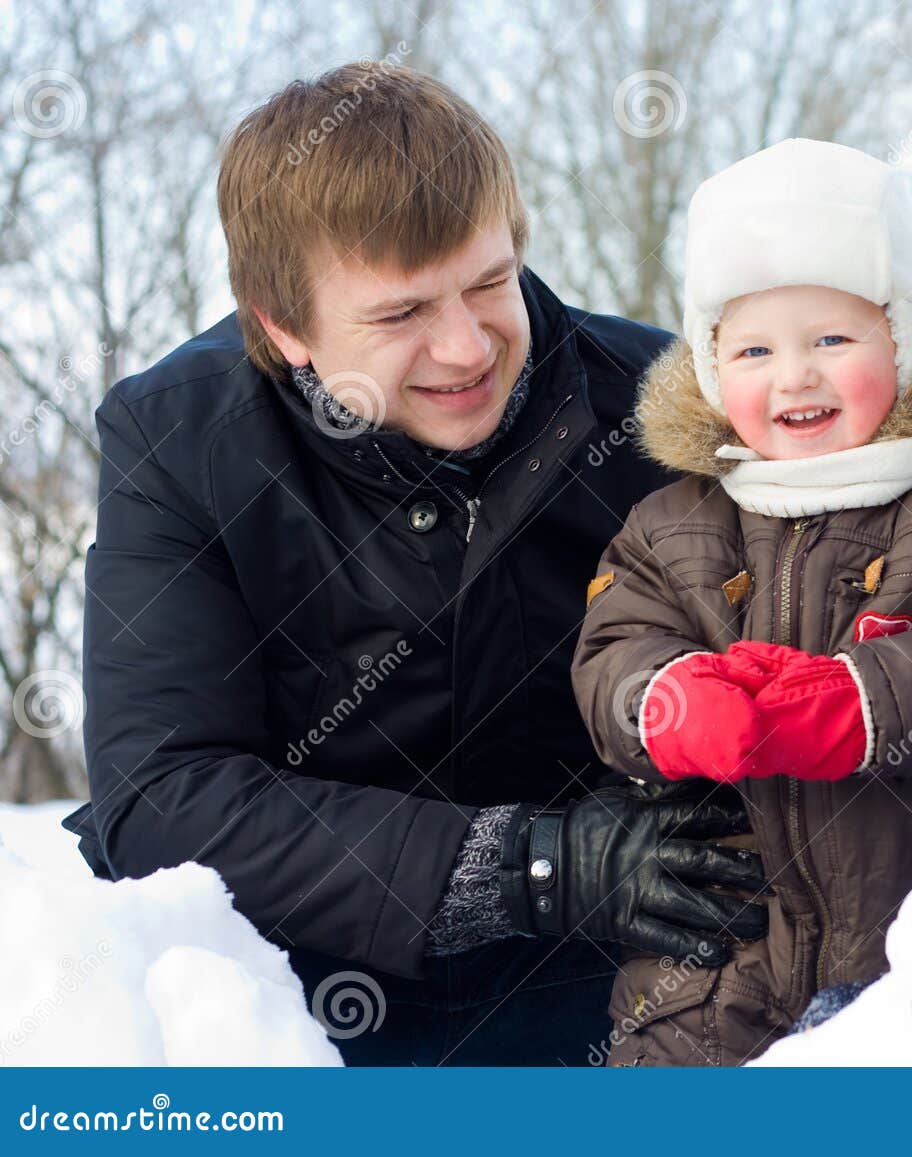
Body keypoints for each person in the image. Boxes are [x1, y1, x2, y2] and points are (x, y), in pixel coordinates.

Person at [64, 62, 766, 1066]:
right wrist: (531, 865)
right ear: (284, 323)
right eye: (400, 316)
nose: (466, 344)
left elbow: (834, 617)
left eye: (489, 282)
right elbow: (162, 795)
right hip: (302, 987)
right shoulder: (180, 440)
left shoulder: (661, 406)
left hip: (621, 969)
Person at [571, 139, 912, 1064]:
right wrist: (668, 700)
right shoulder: (669, 524)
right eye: (755, 348)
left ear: (905, 338)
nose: (794, 375)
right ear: (710, 364)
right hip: (706, 987)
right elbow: (616, 647)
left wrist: (858, 703)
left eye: (832, 339)